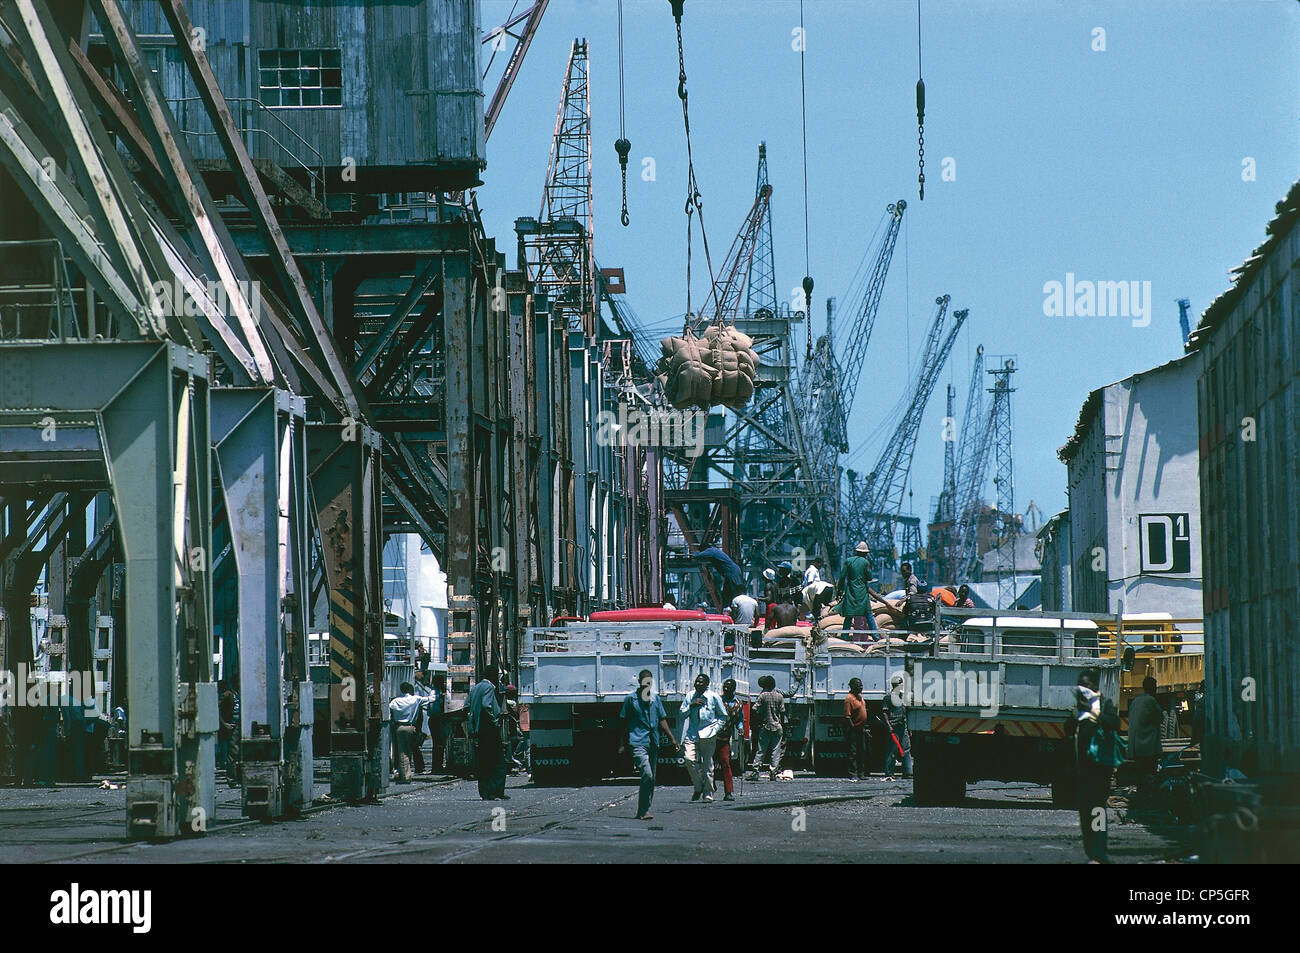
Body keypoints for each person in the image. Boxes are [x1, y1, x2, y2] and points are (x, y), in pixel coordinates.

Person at [618, 669, 680, 820]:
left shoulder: (655, 699)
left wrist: (672, 739)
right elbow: (623, 722)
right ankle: (643, 809)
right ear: (639, 682)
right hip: (637, 741)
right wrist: (621, 743)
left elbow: (662, 719)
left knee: (651, 778)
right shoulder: (630, 700)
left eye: (650, 682)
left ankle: (644, 809)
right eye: (645, 682)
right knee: (647, 773)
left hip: (653, 741)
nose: (647, 685)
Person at [1075, 669, 1120, 863]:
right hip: (1083, 770)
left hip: (1100, 770)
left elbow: (1115, 723)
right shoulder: (1078, 708)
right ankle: (1090, 851)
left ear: (1094, 686)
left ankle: (1100, 849)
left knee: (1098, 810)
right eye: (1080, 685)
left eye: (1085, 685)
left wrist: (1093, 714)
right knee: (1086, 812)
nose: (1082, 688)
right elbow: (1069, 729)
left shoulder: (1104, 704)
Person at [679, 673, 727, 802]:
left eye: (701, 682)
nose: (698, 684)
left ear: (707, 684)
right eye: (697, 682)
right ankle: (698, 786)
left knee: (707, 765)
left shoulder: (713, 697)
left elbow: (723, 716)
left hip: (708, 733)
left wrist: (715, 729)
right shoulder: (690, 696)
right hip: (692, 734)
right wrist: (691, 705)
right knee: (689, 759)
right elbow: (682, 714)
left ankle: (708, 792)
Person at [467, 665, 508, 800]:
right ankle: (497, 791)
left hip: (478, 730)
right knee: (499, 763)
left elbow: (466, 706)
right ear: (493, 676)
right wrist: (494, 720)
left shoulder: (475, 688)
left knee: (484, 762)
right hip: (489, 729)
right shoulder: (489, 687)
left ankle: (485, 792)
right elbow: (486, 705)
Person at [1127, 676, 1163, 796]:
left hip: (1136, 746)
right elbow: (1160, 718)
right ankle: (1148, 796)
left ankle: (1141, 794)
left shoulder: (1136, 700)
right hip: (1147, 746)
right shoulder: (1151, 701)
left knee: (1140, 773)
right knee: (1149, 772)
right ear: (1153, 688)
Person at [749, 675, 786, 780]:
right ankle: (773, 772)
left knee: (761, 749)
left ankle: (755, 771)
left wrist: (759, 719)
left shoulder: (763, 696)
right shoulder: (780, 696)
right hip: (777, 726)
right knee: (776, 750)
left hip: (765, 726)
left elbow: (754, 709)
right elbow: (783, 712)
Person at [388, 681, 425, 783]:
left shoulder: (395, 701)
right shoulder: (416, 699)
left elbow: (388, 709)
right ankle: (407, 774)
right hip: (411, 727)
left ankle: (405, 775)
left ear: (401, 690)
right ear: (409, 689)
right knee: (410, 750)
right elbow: (431, 699)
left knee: (402, 752)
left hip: (399, 728)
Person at [836, 541, 874, 632]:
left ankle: (844, 636)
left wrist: (839, 591)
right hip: (862, 593)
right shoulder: (866, 562)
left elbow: (841, 578)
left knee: (849, 616)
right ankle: (876, 636)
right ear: (865, 553)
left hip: (851, 592)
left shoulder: (848, 561)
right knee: (869, 616)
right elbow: (870, 578)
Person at [716, 678, 743, 801]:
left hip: (725, 738)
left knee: (726, 764)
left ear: (733, 689)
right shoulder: (717, 701)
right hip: (713, 736)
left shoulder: (738, 703)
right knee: (709, 764)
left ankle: (728, 792)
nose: (725, 689)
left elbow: (739, 719)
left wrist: (740, 727)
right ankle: (710, 787)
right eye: (724, 687)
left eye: (728, 687)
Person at [881, 674, 913, 779]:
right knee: (892, 750)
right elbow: (884, 713)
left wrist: (909, 727)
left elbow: (906, 712)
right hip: (893, 727)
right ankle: (889, 773)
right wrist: (889, 725)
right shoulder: (887, 698)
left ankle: (908, 772)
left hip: (903, 726)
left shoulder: (903, 697)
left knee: (906, 749)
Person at [843, 677, 870, 781]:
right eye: (859, 685)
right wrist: (853, 728)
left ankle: (861, 773)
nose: (861, 687)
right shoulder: (849, 699)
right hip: (853, 729)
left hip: (861, 728)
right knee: (853, 752)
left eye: (861, 685)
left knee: (862, 751)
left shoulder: (860, 697)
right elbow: (847, 716)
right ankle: (853, 773)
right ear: (853, 686)